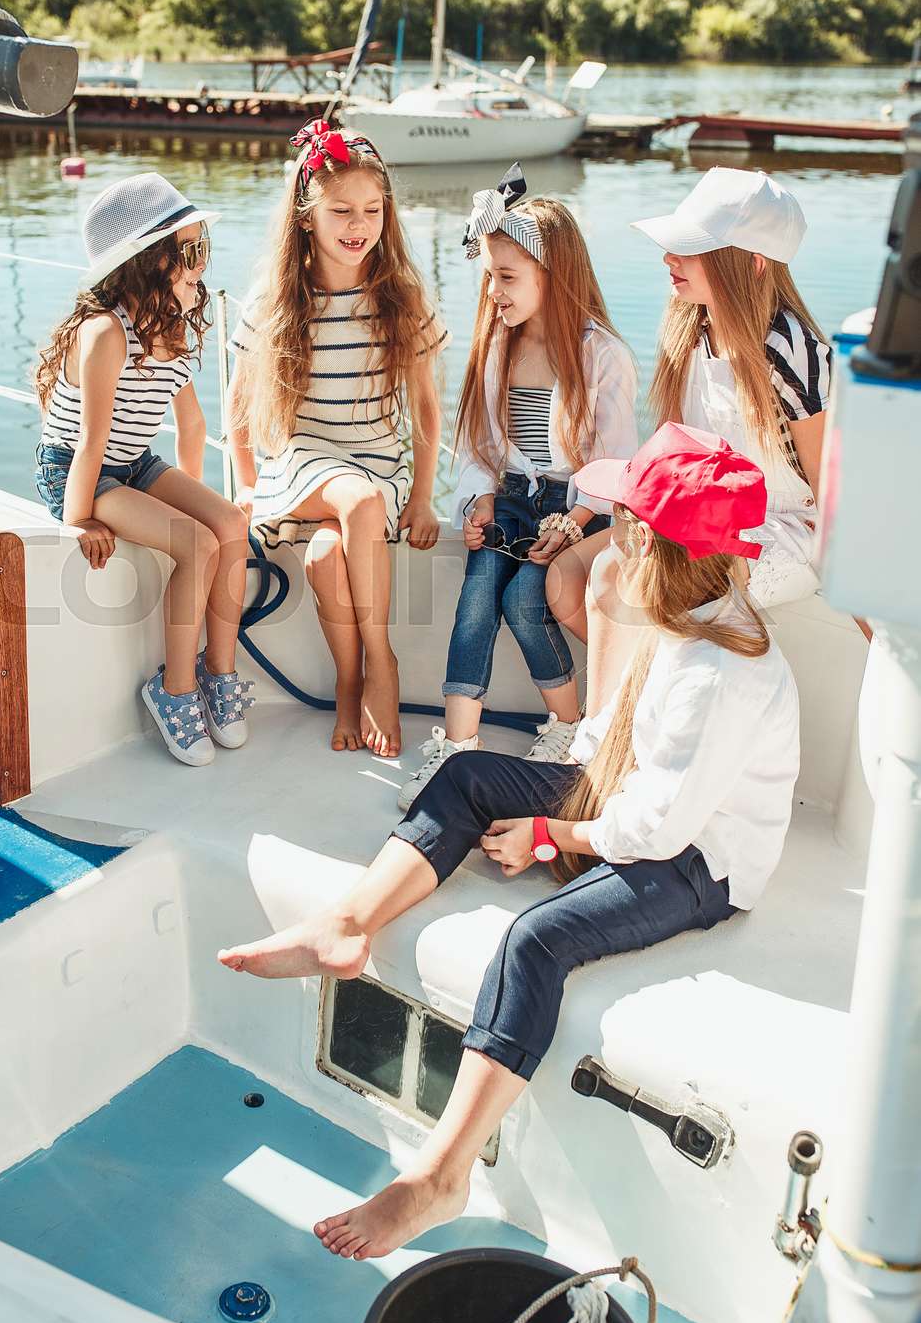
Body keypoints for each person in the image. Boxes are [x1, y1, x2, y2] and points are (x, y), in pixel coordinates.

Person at [218, 423, 801, 1262]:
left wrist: (549, 833)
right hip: (638, 803)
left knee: (535, 941)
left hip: (700, 863)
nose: (612, 533)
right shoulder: (674, 614)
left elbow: (656, 830)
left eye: (624, 521)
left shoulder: (724, 673)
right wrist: (553, 800)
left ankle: (438, 1177)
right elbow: (615, 746)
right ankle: (346, 924)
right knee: (460, 778)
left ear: (653, 543)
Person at [398, 164, 637, 810]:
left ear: (552, 276)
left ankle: (567, 728)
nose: (493, 293)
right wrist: (475, 499)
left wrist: (578, 519)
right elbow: (477, 445)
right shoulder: (497, 347)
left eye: (506, 278)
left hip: (570, 508)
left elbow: (612, 461)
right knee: (476, 601)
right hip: (508, 498)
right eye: (489, 278)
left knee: (526, 601)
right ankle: (455, 752)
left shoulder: (600, 355)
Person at [226, 119, 448, 759]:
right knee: (355, 502)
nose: (359, 224)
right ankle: (382, 661)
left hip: (378, 461)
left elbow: (428, 412)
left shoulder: (402, 298)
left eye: (373, 210)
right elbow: (239, 406)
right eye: (342, 210)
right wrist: (244, 483)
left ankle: (350, 682)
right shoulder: (274, 299)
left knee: (328, 557)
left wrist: (425, 499)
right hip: (299, 463)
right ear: (306, 216)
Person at [577, 167, 833, 717]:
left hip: (782, 527)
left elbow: (827, 480)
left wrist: (862, 601)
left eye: (689, 250)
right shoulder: (689, 330)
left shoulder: (790, 351)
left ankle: (634, 741)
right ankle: (597, 739)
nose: (669, 260)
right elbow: (674, 456)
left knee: (675, 587)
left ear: (754, 261)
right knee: (601, 574)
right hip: (702, 514)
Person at [34, 172, 253, 767]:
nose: (201, 267)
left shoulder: (173, 328)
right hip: (81, 473)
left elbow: (193, 429)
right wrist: (79, 521)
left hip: (133, 463)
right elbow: (88, 444)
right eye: (191, 253)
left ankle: (218, 672)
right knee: (197, 546)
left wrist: (190, 499)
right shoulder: (106, 333)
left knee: (230, 525)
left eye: (203, 249)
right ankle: (174, 689)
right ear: (148, 263)